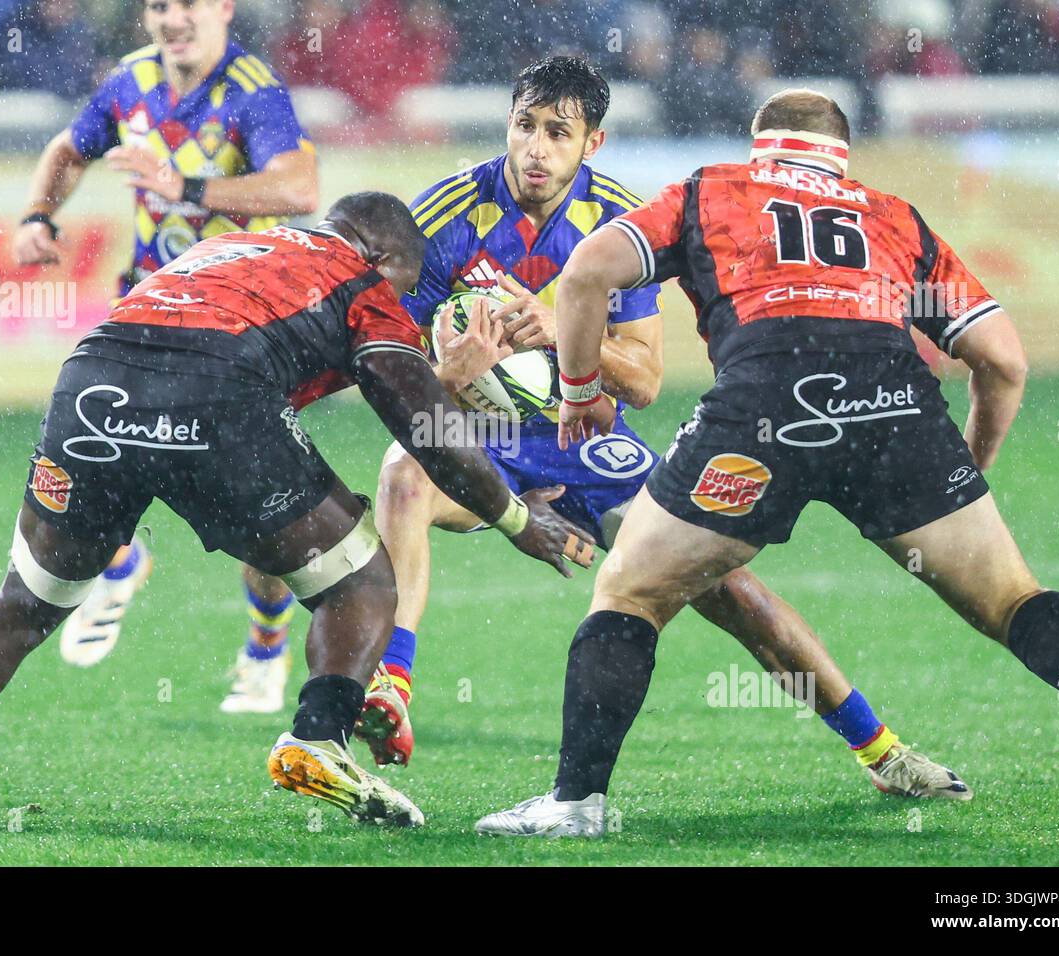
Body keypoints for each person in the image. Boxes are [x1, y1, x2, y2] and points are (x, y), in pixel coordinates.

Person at [0, 193, 594, 830]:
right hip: (214, 396)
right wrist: (518, 519)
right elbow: (419, 424)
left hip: (92, 381)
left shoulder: (232, 248)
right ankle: (317, 737)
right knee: (359, 580)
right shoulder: (359, 283)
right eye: (401, 283)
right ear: (384, 261)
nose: (399, 299)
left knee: (26, 603)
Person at [477, 89, 1059, 837]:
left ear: (760, 146)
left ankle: (576, 804)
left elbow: (587, 272)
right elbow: (1002, 360)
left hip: (762, 411)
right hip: (892, 413)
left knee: (630, 593)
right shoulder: (893, 216)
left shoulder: (712, 189)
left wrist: (581, 390)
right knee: (1013, 602)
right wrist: (959, 474)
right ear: (841, 155)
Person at [362, 58, 968, 803]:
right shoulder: (445, 212)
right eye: (525, 127)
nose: (536, 150)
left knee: (730, 586)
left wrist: (558, 331)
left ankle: (881, 749)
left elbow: (644, 380)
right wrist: (453, 372)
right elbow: (395, 374)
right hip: (474, 435)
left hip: (581, 439)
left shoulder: (621, 221)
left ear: (595, 142)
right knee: (401, 471)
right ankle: (390, 684)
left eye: (559, 133)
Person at [11, 0, 320, 713]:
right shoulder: (130, 81)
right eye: (157, 5)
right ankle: (121, 563)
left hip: (243, 326)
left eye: (187, 4)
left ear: (221, 8)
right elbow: (68, 149)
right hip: (147, 312)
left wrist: (189, 189)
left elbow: (300, 187)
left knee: (261, 511)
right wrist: (38, 215)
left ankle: (266, 645)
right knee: (92, 448)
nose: (171, 19)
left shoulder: (253, 91)